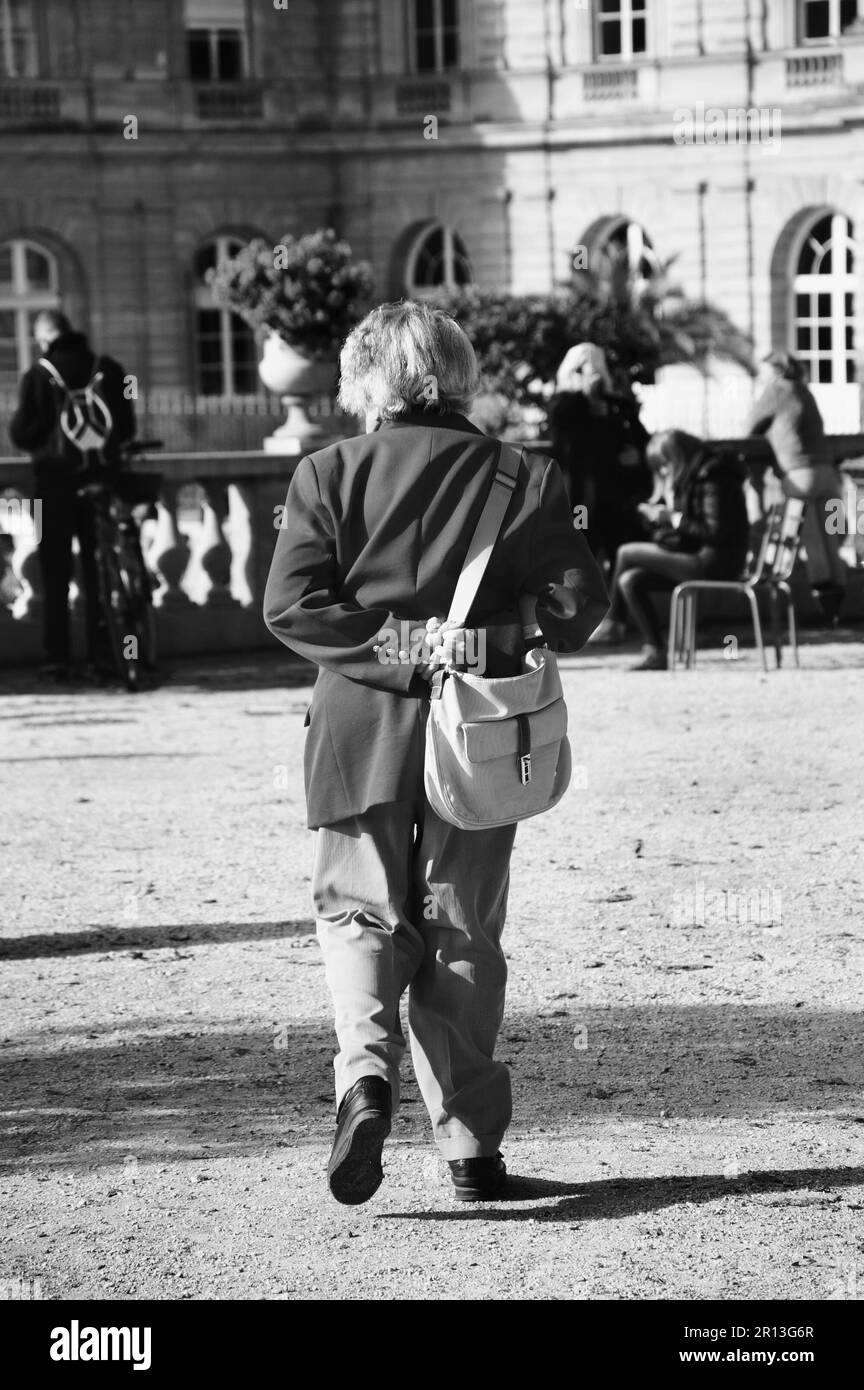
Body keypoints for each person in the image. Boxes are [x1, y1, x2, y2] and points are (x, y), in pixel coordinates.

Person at [263, 301, 608, 1205]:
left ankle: (364, 1082)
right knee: (462, 926)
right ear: (456, 375)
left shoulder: (326, 472)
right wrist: (496, 633)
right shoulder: (524, 475)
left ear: (369, 382)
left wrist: (401, 651)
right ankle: (470, 1152)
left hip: (357, 726)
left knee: (359, 913)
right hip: (483, 731)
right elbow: (580, 608)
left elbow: (291, 604)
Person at [9, 310, 136, 680]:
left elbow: (22, 433)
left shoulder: (38, 374)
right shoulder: (111, 369)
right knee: (100, 573)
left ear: (45, 338)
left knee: (55, 573)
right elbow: (126, 424)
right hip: (101, 483)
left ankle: (57, 659)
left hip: (54, 487)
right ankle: (104, 655)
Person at [594, 429, 749, 670]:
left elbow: (715, 532)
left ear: (678, 455)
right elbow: (690, 534)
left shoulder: (714, 476)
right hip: (701, 556)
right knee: (630, 580)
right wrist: (661, 520)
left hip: (716, 561)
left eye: (665, 464)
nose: (664, 472)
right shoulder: (699, 476)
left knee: (626, 552)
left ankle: (613, 623)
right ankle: (656, 651)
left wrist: (674, 518)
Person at [745, 350, 848, 624]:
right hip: (828, 474)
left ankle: (826, 611)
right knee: (831, 542)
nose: (761, 378)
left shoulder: (776, 391)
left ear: (775, 372)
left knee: (813, 544)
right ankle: (839, 609)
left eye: (764, 372)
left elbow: (750, 425)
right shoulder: (804, 390)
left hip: (800, 475)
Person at [546, 341, 651, 561]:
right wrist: (587, 399)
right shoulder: (563, 404)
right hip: (579, 495)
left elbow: (639, 439)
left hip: (613, 494)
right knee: (579, 539)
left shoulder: (617, 406)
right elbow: (567, 442)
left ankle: (611, 592)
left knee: (616, 544)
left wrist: (637, 455)